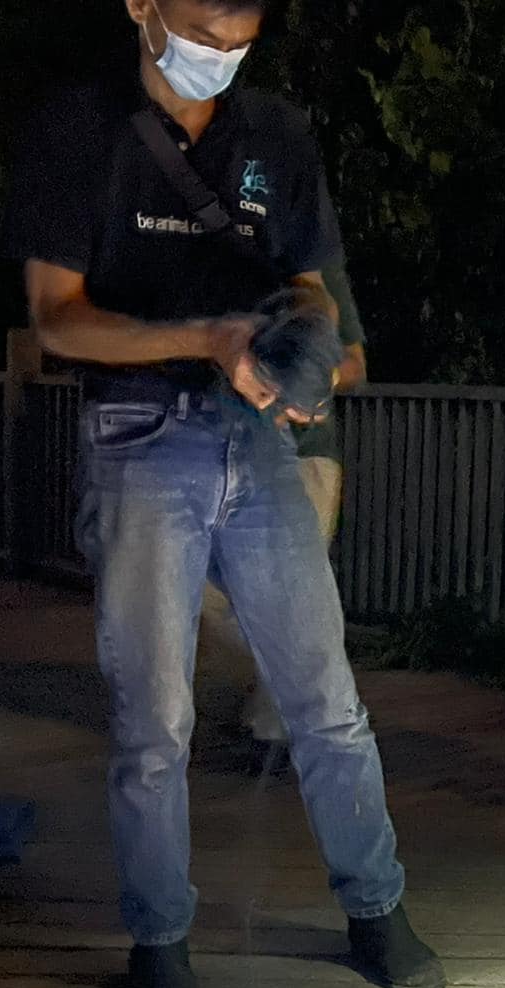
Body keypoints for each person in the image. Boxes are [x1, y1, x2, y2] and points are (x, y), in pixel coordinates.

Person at [1, 0, 444, 988]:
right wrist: (209, 339)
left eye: (242, 39)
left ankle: (376, 909)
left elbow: (311, 283)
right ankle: (160, 942)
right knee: (153, 719)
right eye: (205, 33)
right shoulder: (78, 128)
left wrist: (306, 349)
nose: (224, 55)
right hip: (136, 437)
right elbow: (58, 318)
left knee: (326, 698)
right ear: (142, 6)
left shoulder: (274, 133)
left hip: (259, 439)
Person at [198, 254, 365, 745]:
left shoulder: (309, 262)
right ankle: (295, 688)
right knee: (207, 594)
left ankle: (281, 725)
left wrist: (297, 375)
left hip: (304, 453)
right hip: (214, 446)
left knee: (289, 593)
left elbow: (353, 364)